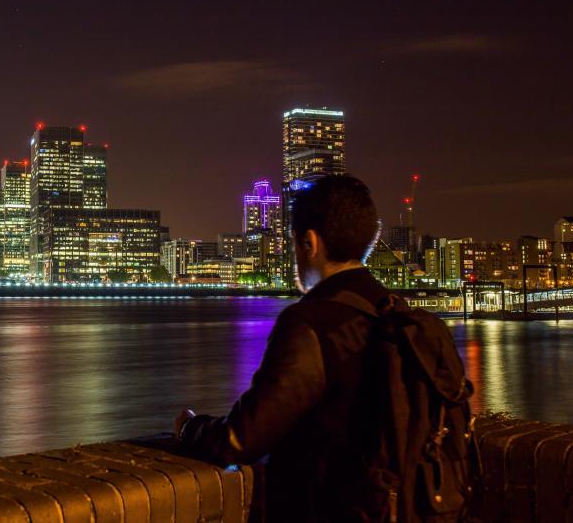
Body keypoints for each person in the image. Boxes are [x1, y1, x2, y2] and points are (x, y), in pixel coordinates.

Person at [174, 175, 472, 521]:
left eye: (294, 245)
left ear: (310, 242)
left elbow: (244, 438)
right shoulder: (402, 317)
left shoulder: (309, 323)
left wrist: (191, 428)